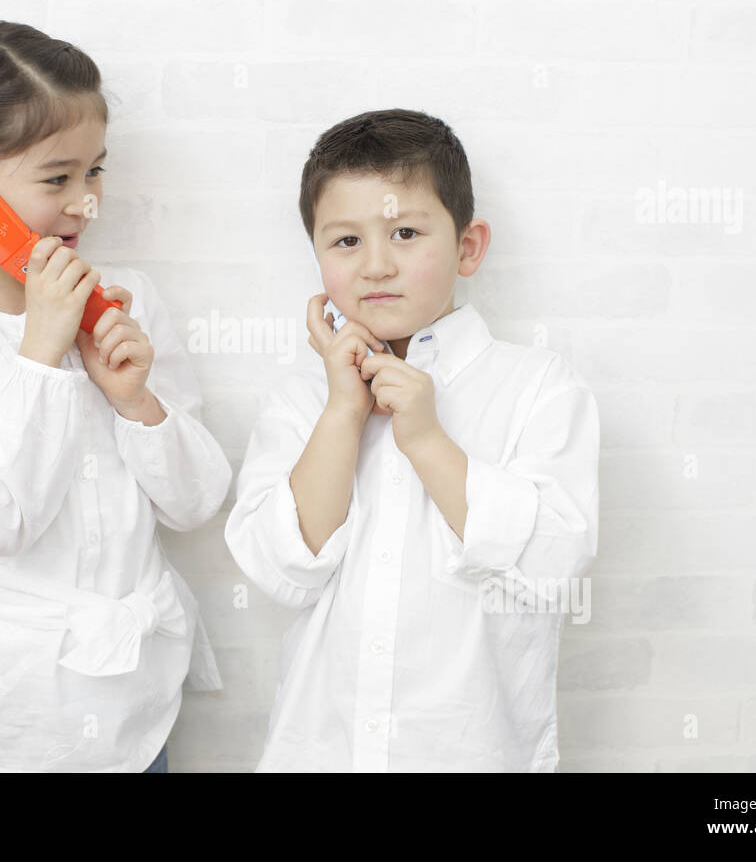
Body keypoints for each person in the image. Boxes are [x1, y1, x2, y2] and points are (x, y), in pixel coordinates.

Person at [0, 20, 230, 772]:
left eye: (96, 171)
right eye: (57, 179)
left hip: (132, 723)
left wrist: (137, 403)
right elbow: (2, 521)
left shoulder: (132, 305)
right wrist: (41, 352)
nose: (85, 204)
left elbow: (195, 504)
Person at [224, 108, 600, 772]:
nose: (375, 266)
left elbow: (553, 562)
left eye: (404, 232)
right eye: (345, 242)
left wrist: (426, 439)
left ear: (468, 247)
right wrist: (344, 411)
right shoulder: (302, 402)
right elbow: (281, 569)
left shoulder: (538, 385)